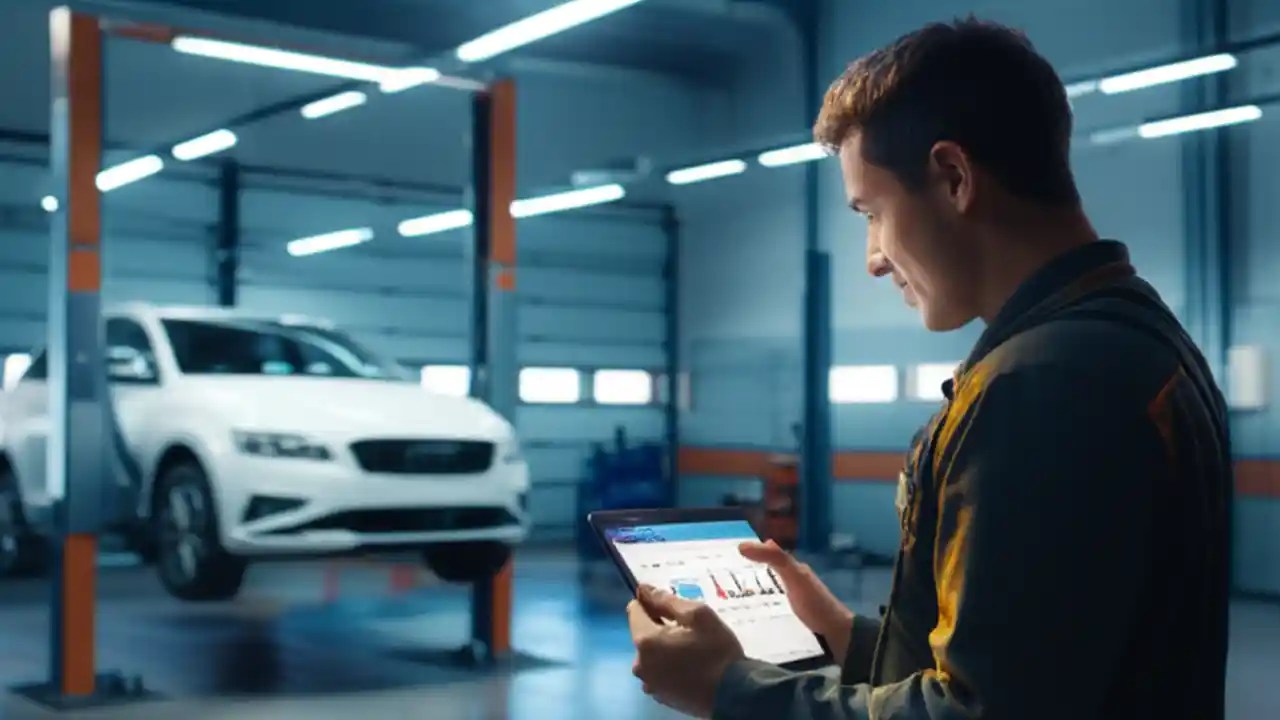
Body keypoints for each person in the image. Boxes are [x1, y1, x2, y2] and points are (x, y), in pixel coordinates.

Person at [626, 17, 1232, 720]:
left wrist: (730, 689)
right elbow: (1046, 662)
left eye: (872, 212)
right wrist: (846, 636)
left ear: (953, 177)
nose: (874, 258)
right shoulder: (1135, 337)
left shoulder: (1045, 382)